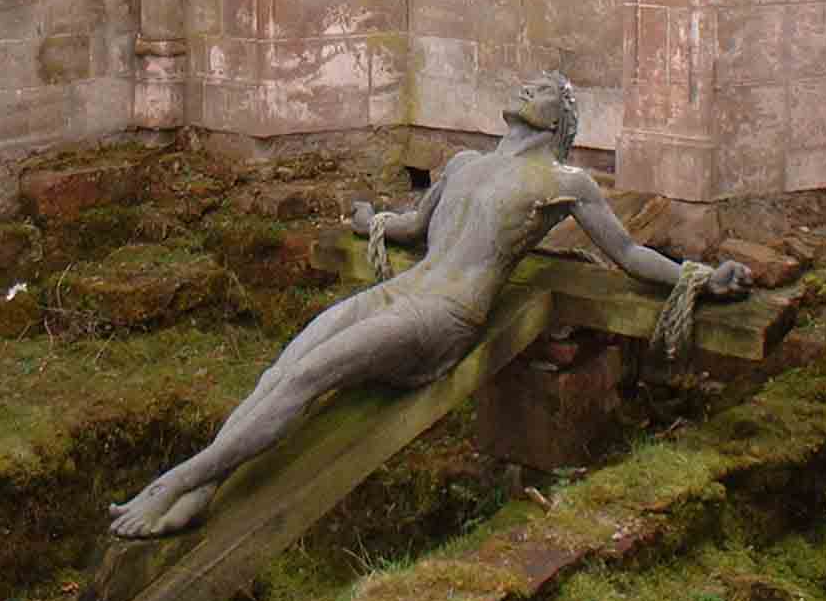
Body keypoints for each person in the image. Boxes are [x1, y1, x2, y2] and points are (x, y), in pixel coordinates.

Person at [109, 73, 751, 538]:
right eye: (530, 82)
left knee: (307, 376)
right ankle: (206, 486)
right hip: (403, 291)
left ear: (559, 124)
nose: (529, 87)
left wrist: (696, 278)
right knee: (284, 367)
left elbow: (627, 253)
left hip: (443, 319)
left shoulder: (564, 182)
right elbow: (415, 226)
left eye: (546, 90)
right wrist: (371, 221)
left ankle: (175, 482)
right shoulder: (464, 164)